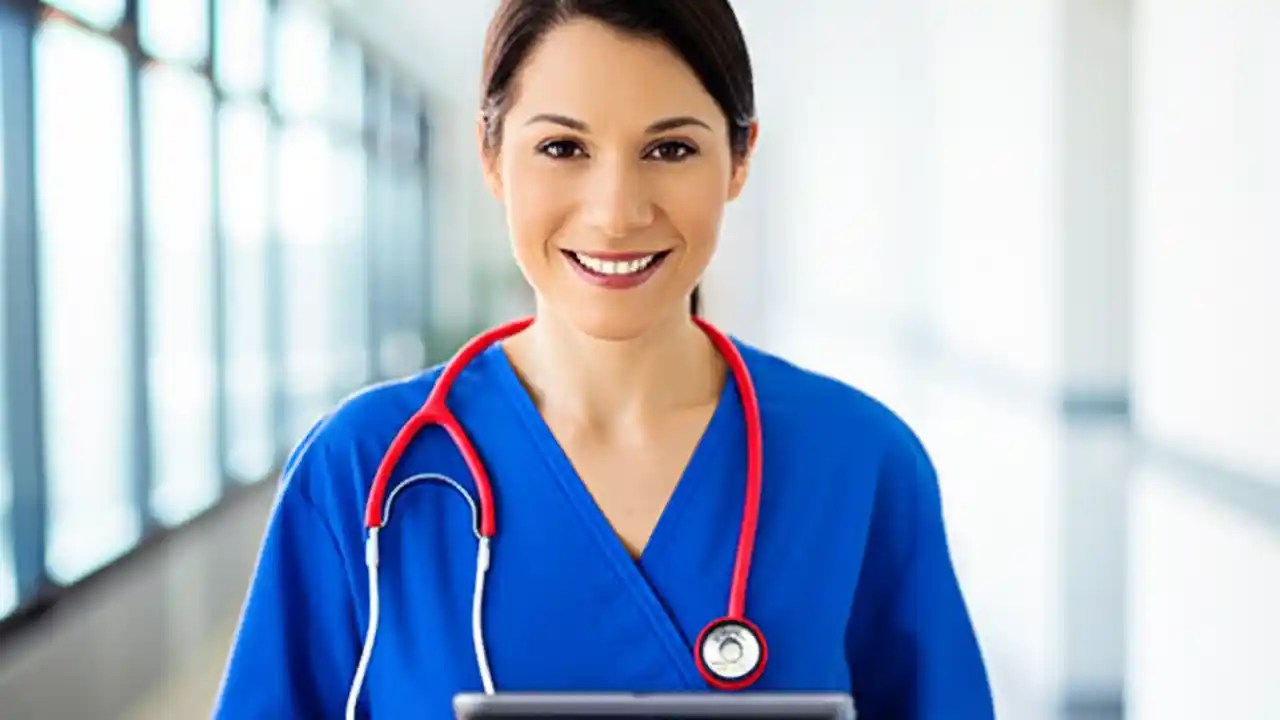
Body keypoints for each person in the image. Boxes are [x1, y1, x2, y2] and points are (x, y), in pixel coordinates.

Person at [215, 1, 994, 717]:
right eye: (562, 147)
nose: (616, 211)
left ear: (739, 158)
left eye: (671, 148)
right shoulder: (364, 468)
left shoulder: (858, 462)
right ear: (490, 154)